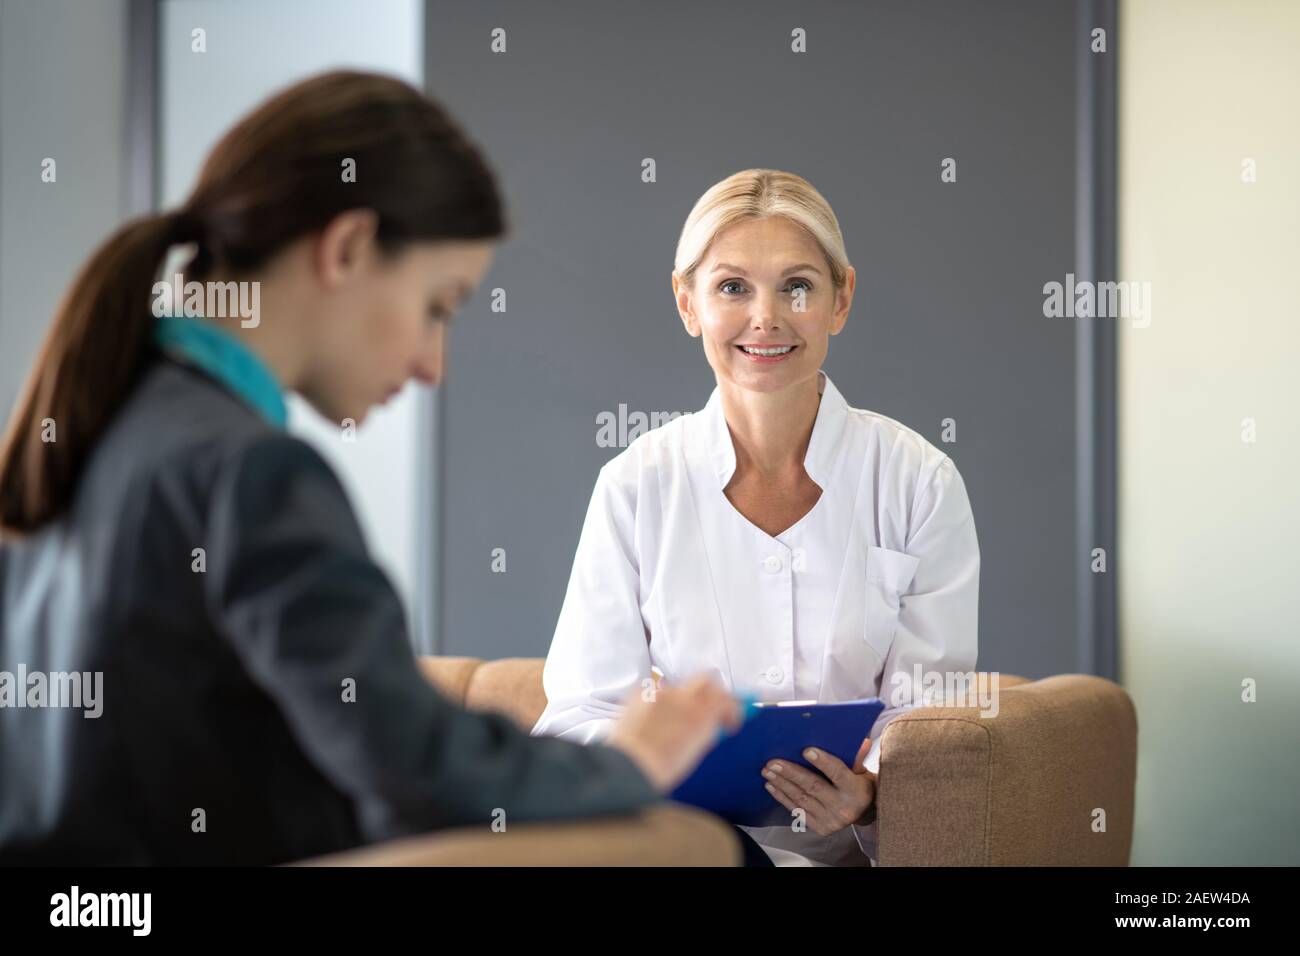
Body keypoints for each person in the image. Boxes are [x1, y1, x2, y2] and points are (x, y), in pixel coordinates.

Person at [0, 70, 741, 866]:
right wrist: (627, 763)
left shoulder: (104, 419)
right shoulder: (253, 472)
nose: (434, 365)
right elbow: (419, 770)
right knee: (682, 845)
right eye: (438, 306)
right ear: (349, 246)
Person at [531, 169, 981, 866]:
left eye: (797, 286)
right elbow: (577, 717)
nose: (765, 318)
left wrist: (868, 790)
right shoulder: (635, 485)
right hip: (687, 848)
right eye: (732, 287)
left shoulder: (918, 481)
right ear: (688, 303)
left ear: (841, 299)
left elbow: (926, 715)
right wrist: (656, 763)